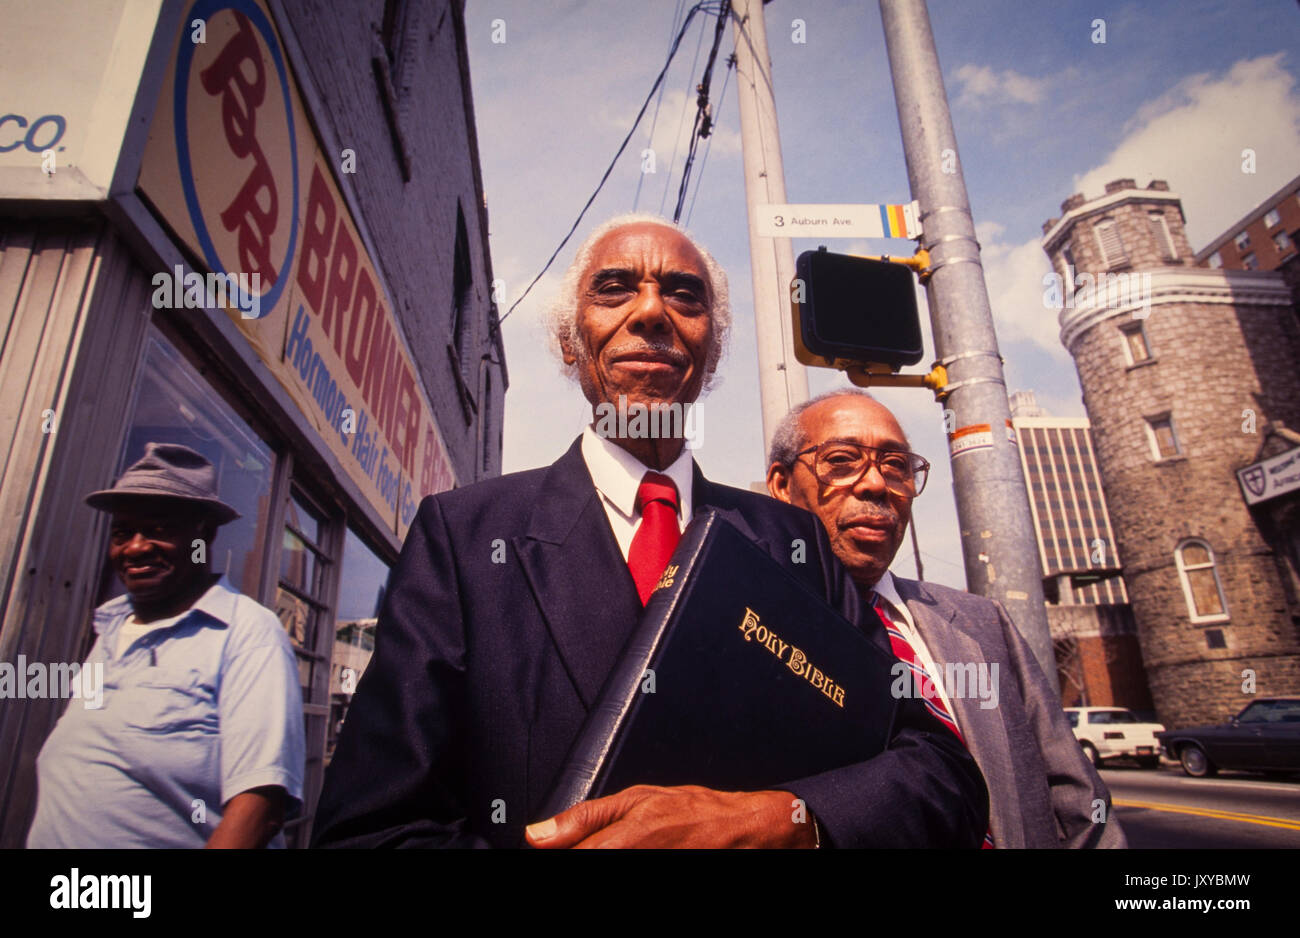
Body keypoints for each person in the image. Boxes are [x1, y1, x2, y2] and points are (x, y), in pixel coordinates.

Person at [311, 214, 987, 848]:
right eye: (614, 290)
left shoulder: (795, 544)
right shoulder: (464, 539)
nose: (651, 312)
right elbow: (371, 830)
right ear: (570, 342)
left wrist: (785, 820)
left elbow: (941, 774)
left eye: (683, 295)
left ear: (713, 347)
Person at [765, 389, 1126, 848]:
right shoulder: (747, 624)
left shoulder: (983, 622)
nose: (876, 484)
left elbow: (1077, 800)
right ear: (781, 484)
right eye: (842, 459)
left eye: (896, 465)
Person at [27, 443, 305, 848]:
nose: (136, 547)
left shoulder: (246, 632)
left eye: (159, 530)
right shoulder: (111, 626)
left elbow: (260, 807)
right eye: (123, 533)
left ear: (204, 534)